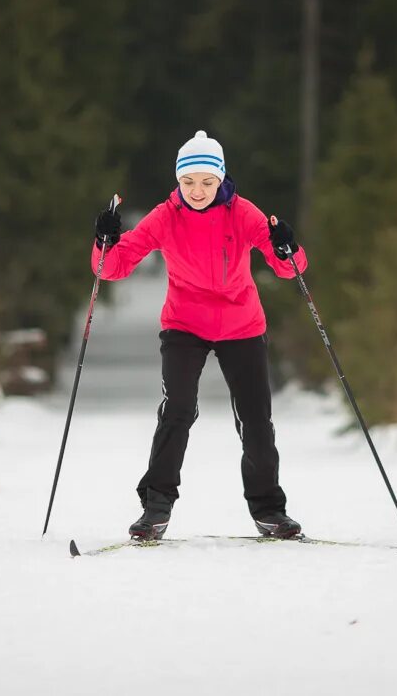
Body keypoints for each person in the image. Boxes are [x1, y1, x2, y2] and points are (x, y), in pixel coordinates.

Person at [91, 130, 308, 541]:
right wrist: (105, 239)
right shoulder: (165, 216)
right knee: (178, 409)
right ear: (178, 180)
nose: (197, 190)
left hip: (241, 324)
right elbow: (112, 268)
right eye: (188, 181)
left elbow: (289, 268)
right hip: (185, 324)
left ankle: (269, 510)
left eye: (207, 182)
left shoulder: (243, 213)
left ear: (221, 179)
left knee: (256, 419)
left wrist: (286, 247)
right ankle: (155, 508)